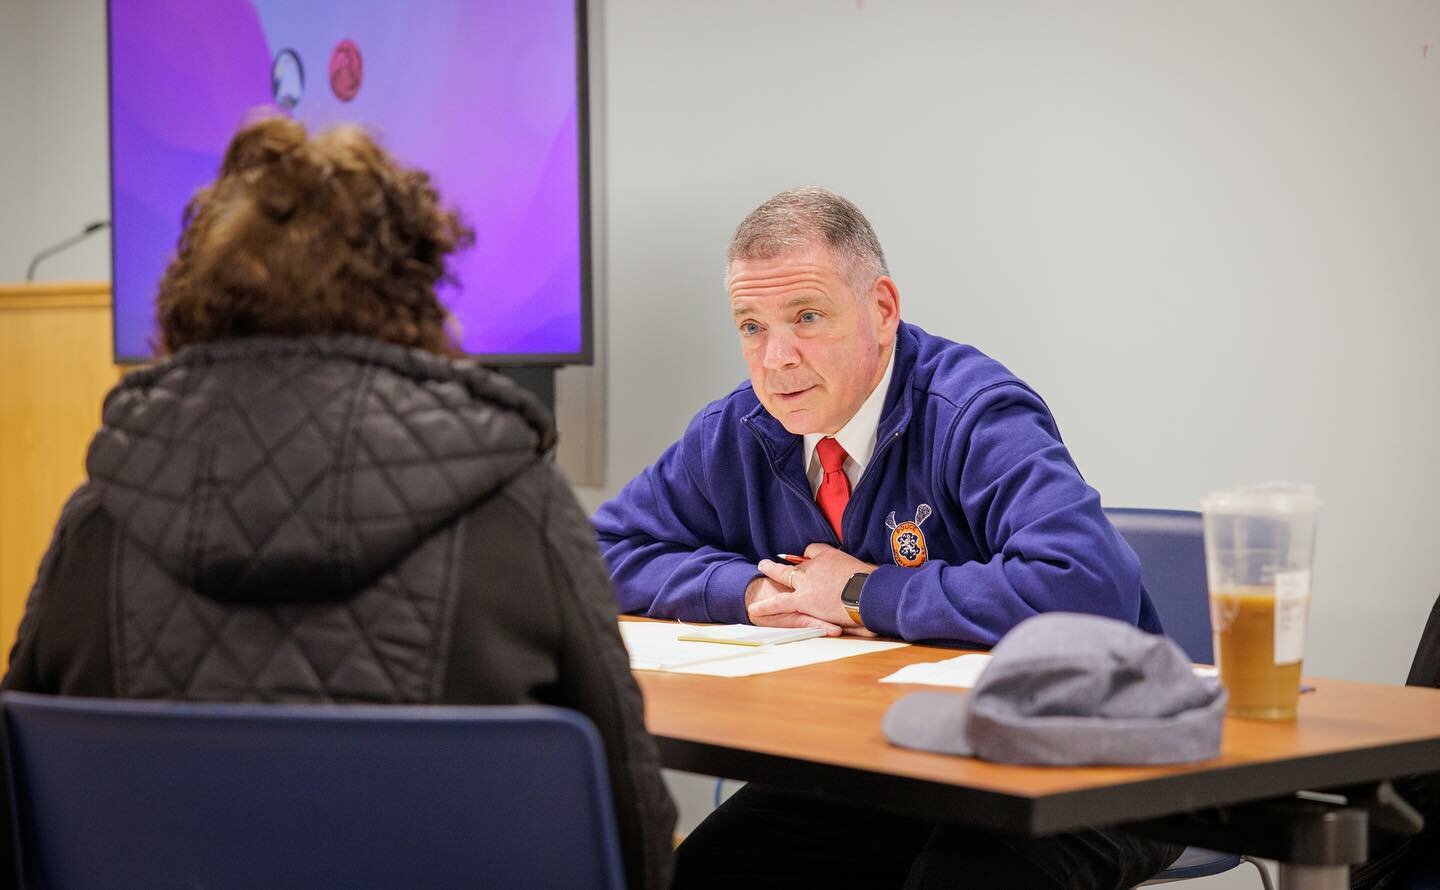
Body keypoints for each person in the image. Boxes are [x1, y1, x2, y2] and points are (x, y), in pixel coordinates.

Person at [2, 117, 674, 890]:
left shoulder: (100, 520)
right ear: (415, 289)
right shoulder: (517, 508)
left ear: (191, 300)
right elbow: (634, 838)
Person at [592, 187, 1178, 888]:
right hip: (891, 762)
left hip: (1083, 764)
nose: (776, 358)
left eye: (807, 317)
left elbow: (1088, 587)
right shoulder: (739, 429)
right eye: (751, 325)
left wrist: (864, 593)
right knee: (706, 873)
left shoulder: (974, 413)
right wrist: (742, 590)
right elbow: (596, 552)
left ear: (882, 309)